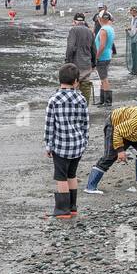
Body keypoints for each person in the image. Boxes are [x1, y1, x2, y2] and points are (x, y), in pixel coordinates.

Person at [44, 63, 90, 219]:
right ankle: (73, 207)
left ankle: (63, 210)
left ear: (59, 80)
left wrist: (48, 145)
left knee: (61, 177)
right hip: (77, 145)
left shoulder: (54, 100)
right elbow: (85, 123)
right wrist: (84, 141)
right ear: (76, 81)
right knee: (72, 175)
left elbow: (49, 125)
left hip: (60, 146)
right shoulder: (81, 98)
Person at [64, 12, 96, 108]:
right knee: (85, 84)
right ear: (84, 21)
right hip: (86, 62)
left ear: (74, 21)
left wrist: (68, 61)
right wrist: (94, 63)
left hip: (75, 63)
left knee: (72, 84)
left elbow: (70, 47)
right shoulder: (89, 31)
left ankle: (73, 107)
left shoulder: (73, 30)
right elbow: (94, 48)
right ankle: (84, 107)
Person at [92, 12, 115, 107]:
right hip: (107, 55)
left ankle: (108, 101)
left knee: (104, 79)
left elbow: (102, 45)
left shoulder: (103, 30)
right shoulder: (110, 28)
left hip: (102, 57)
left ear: (100, 19)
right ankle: (102, 100)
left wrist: (96, 57)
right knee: (102, 78)